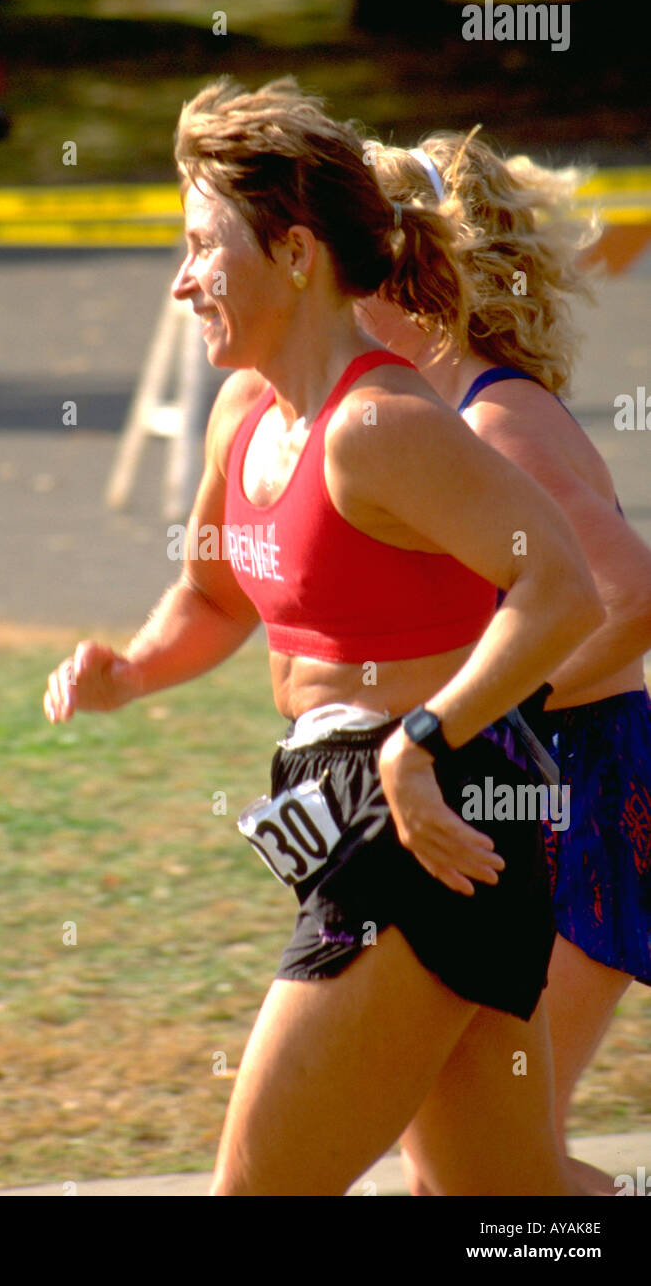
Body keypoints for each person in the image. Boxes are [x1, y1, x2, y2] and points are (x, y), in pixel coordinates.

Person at [44, 77, 604, 1196]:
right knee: (508, 1203)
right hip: (371, 810)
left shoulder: (376, 428)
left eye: (204, 245)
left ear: (295, 255)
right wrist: (130, 672)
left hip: (431, 823)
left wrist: (421, 740)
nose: (181, 279)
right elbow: (212, 601)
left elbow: (565, 589)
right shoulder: (243, 414)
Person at [356, 126, 651, 1196]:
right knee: (477, 1168)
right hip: (532, 797)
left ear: (392, 264)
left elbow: (627, 597)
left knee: (483, 1176)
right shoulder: (438, 413)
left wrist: (471, 715)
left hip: (584, 803)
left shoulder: (494, 421)